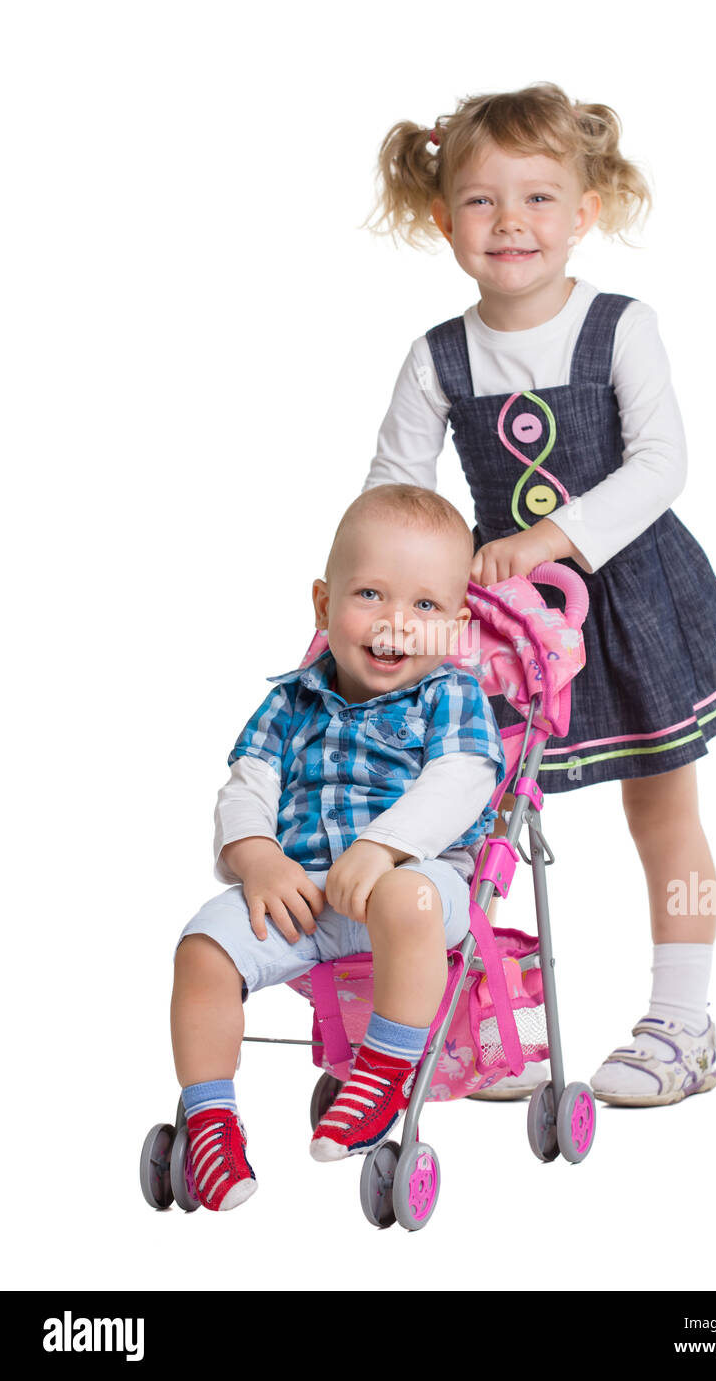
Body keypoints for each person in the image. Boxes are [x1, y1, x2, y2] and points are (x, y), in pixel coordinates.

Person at [364, 83, 716, 1107]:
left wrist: (546, 536)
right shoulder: (437, 357)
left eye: (538, 199)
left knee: (661, 809)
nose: (510, 226)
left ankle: (680, 1020)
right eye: (481, 203)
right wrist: (398, 597)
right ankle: (488, 1015)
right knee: (464, 807)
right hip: (504, 627)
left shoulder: (619, 326)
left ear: (584, 211)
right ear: (440, 213)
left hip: (628, 603)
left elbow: (660, 464)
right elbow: (394, 493)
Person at [170, 485, 505, 1209]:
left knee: (406, 896)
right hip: (303, 895)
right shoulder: (290, 701)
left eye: (423, 607)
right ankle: (210, 1121)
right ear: (323, 606)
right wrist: (257, 856)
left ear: (453, 627)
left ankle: (382, 1074)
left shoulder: (450, 697)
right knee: (202, 946)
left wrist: (384, 847)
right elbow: (246, 787)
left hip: (418, 889)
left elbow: (464, 777)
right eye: (371, 594)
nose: (393, 623)